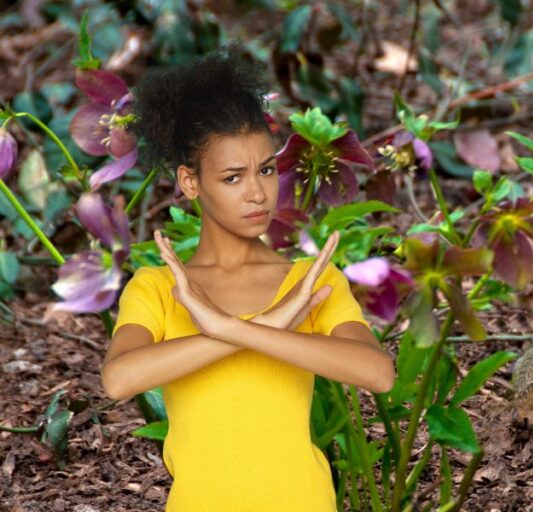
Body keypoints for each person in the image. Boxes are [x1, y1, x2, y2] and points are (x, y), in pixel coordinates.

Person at [99, 43, 395, 511]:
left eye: (265, 169)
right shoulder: (158, 287)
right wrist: (268, 325)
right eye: (233, 178)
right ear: (191, 182)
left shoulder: (310, 279)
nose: (258, 193)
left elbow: (377, 373)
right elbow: (120, 379)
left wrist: (232, 328)